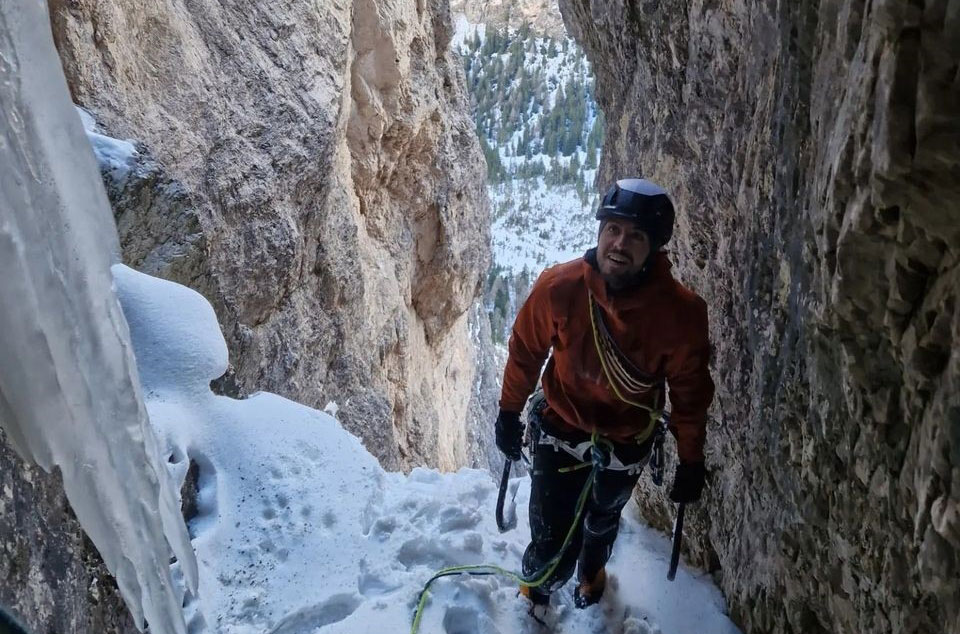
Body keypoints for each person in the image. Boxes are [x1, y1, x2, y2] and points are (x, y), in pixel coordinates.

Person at [495, 178, 715, 610]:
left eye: (635, 236)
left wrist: (691, 459)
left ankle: (590, 575)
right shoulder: (559, 289)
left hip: (625, 442)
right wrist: (508, 412)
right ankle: (537, 590)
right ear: (599, 231)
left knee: (602, 520)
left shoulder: (681, 315)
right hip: (560, 429)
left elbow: (690, 394)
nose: (619, 243)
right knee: (549, 535)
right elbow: (525, 351)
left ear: (654, 248)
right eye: (613, 229)